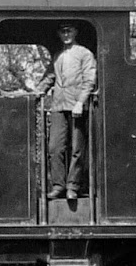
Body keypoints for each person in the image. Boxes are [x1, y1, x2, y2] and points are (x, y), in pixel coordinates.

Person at [40, 22, 97, 199]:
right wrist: (37, 92)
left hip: (76, 105)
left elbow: (90, 80)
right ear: (59, 34)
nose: (66, 35)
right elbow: (50, 77)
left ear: (75, 32)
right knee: (55, 147)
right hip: (58, 105)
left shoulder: (84, 53)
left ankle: (73, 186)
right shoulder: (58, 55)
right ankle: (58, 185)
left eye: (69, 31)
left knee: (77, 148)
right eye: (63, 31)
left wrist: (80, 102)